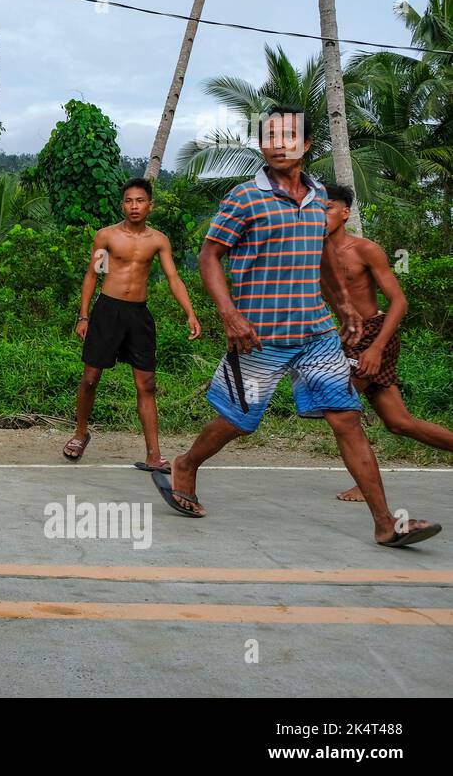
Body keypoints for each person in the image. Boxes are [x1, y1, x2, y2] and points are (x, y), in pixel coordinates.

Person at [150, 107, 442, 548]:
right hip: (259, 334)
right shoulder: (244, 198)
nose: (278, 143)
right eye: (270, 136)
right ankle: (186, 464)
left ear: (306, 146)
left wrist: (342, 303)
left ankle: (386, 523)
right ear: (262, 145)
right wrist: (229, 314)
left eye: (289, 136)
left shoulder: (319, 196)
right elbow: (210, 256)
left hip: (316, 334)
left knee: (346, 417)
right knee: (238, 422)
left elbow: (323, 252)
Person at [320, 183, 453, 500]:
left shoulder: (364, 250)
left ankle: (366, 486)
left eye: (326, 208)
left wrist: (377, 347)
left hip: (376, 333)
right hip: (349, 337)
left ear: (344, 212)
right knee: (399, 422)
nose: (320, 215)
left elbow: (399, 302)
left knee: (341, 410)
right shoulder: (314, 253)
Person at [64, 178, 201, 469]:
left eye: (140, 201)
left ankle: (153, 454)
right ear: (122, 204)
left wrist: (190, 312)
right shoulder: (107, 237)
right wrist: (84, 315)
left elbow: (173, 278)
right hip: (107, 311)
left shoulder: (158, 240)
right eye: (129, 201)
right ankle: (80, 433)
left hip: (138, 315)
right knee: (90, 377)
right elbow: (93, 275)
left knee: (147, 384)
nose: (134, 206)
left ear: (150, 205)